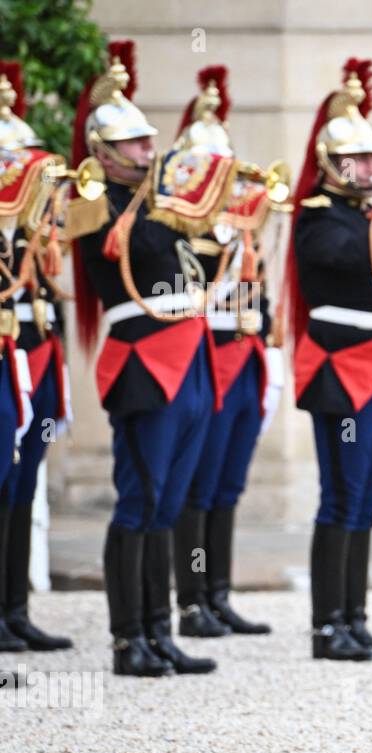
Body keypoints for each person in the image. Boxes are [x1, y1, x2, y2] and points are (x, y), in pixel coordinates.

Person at [71, 42, 225, 677]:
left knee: (169, 500)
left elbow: (202, 263)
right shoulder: (95, 201)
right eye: (133, 145)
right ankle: (126, 637)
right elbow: (129, 248)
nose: (145, 150)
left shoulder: (160, 199)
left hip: (188, 352)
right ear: (105, 152)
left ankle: (159, 633)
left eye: (146, 141)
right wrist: (176, 200)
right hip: (141, 360)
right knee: (139, 498)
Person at [283, 59, 372, 662]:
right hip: (342, 370)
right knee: (341, 495)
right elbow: (338, 259)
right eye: (359, 162)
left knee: (368, 500)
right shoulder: (317, 217)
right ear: (333, 165)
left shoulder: (367, 218)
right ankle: (325, 624)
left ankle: (354, 617)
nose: (371, 171)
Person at [170, 66, 274, 639]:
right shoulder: (187, 231)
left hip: (244, 356)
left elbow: (262, 292)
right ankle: (190, 599)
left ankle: (218, 593)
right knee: (198, 484)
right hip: (205, 353)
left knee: (229, 483)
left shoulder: (241, 228)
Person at [0, 61, 72, 653]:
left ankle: (14, 606)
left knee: (24, 482)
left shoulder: (33, 226)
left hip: (39, 353)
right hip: (11, 350)